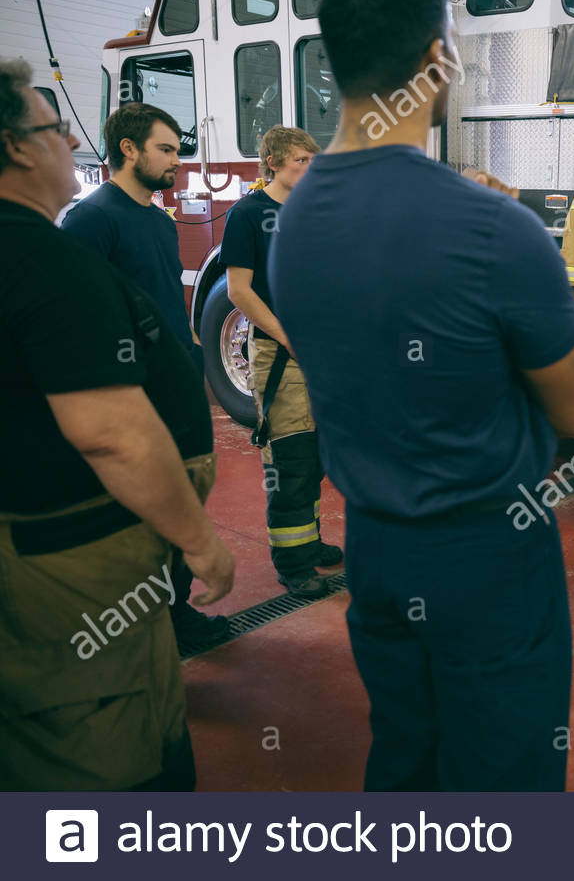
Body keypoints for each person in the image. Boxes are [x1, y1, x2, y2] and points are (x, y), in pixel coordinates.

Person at [269, 0, 574, 791]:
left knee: (406, 754)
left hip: (375, 543)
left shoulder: (293, 217)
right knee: (504, 773)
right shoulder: (494, 227)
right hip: (487, 550)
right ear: (435, 61)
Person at [0, 57, 235, 789]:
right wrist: (200, 543)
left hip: (45, 540)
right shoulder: (49, 249)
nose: (70, 145)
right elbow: (108, 431)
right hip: (67, 552)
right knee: (109, 751)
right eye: (54, 128)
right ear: (15, 146)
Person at [61, 102, 227, 646]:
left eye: (178, 151)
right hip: (134, 394)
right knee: (140, 512)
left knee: (177, 501)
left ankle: (174, 615)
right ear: (128, 150)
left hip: (173, 383)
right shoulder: (93, 219)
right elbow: (82, 320)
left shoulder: (157, 217)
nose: (176, 162)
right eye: (166, 150)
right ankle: (147, 628)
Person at [222, 125, 342, 599]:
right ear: (272, 162)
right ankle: (293, 563)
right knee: (290, 459)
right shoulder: (249, 214)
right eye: (301, 163)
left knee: (315, 454)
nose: (310, 170)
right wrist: (287, 336)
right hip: (280, 353)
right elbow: (238, 290)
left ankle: (309, 542)